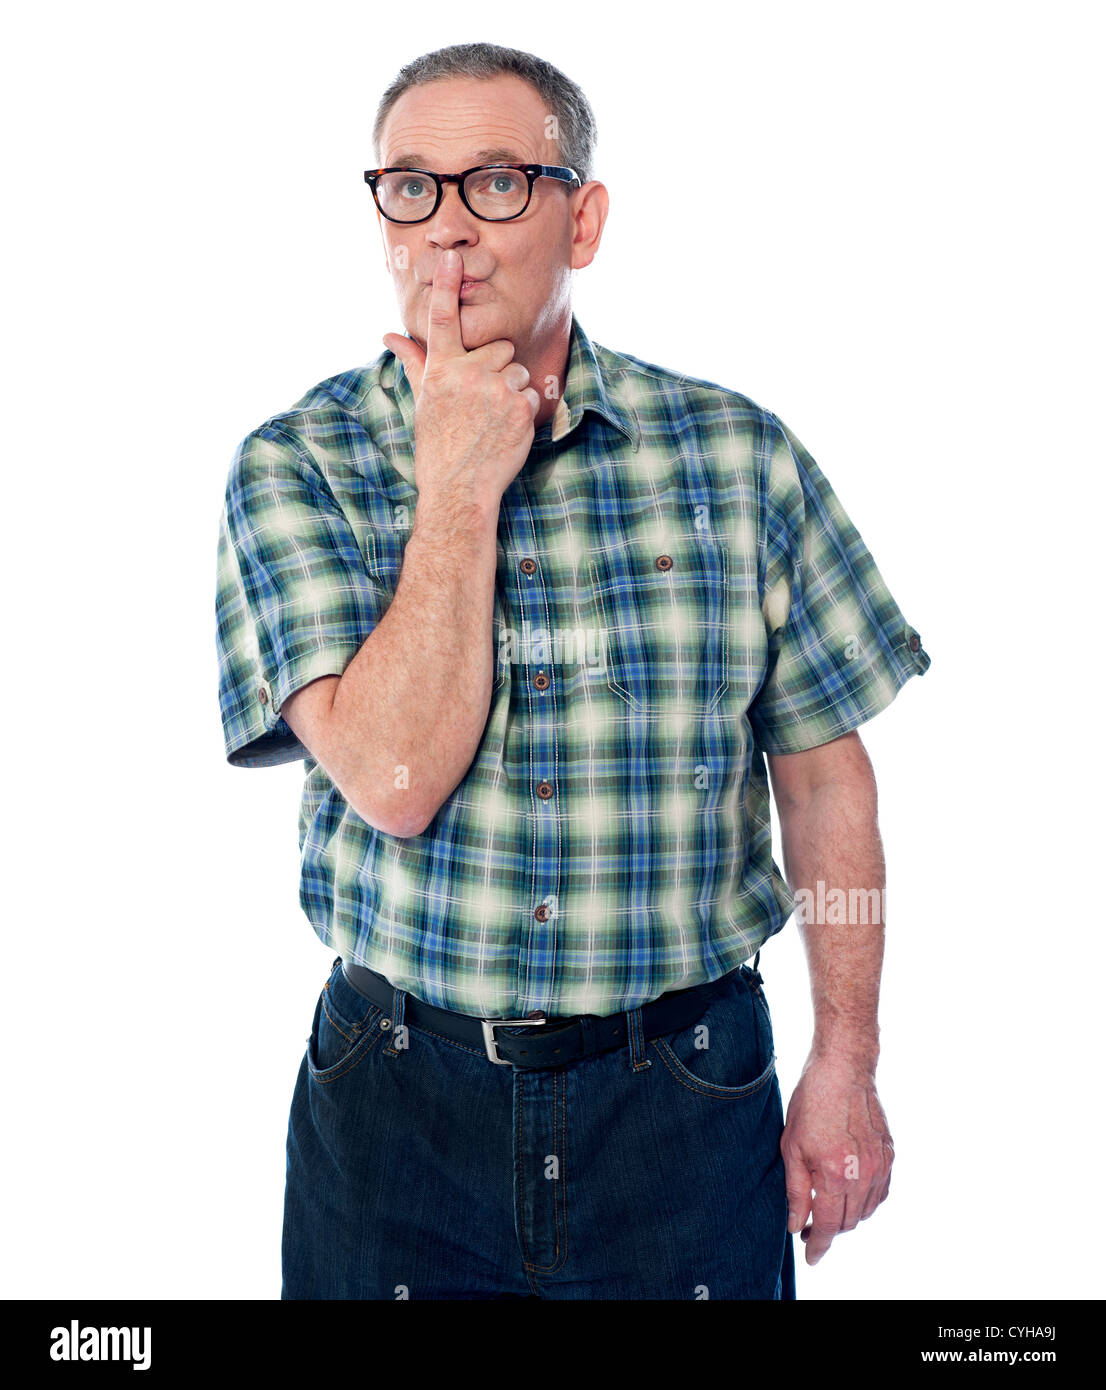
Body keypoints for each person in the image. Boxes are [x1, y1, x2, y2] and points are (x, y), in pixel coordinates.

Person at [214, 42, 931, 1301]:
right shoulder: (298, 467)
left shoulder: (738, 458)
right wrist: (458, 482)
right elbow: (390, 776)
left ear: (580, 218)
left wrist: (846, 1064)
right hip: (395, 1103)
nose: (448, 231)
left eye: (497, 182)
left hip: (685, 1093)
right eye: (408, 188)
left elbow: (824, 785)